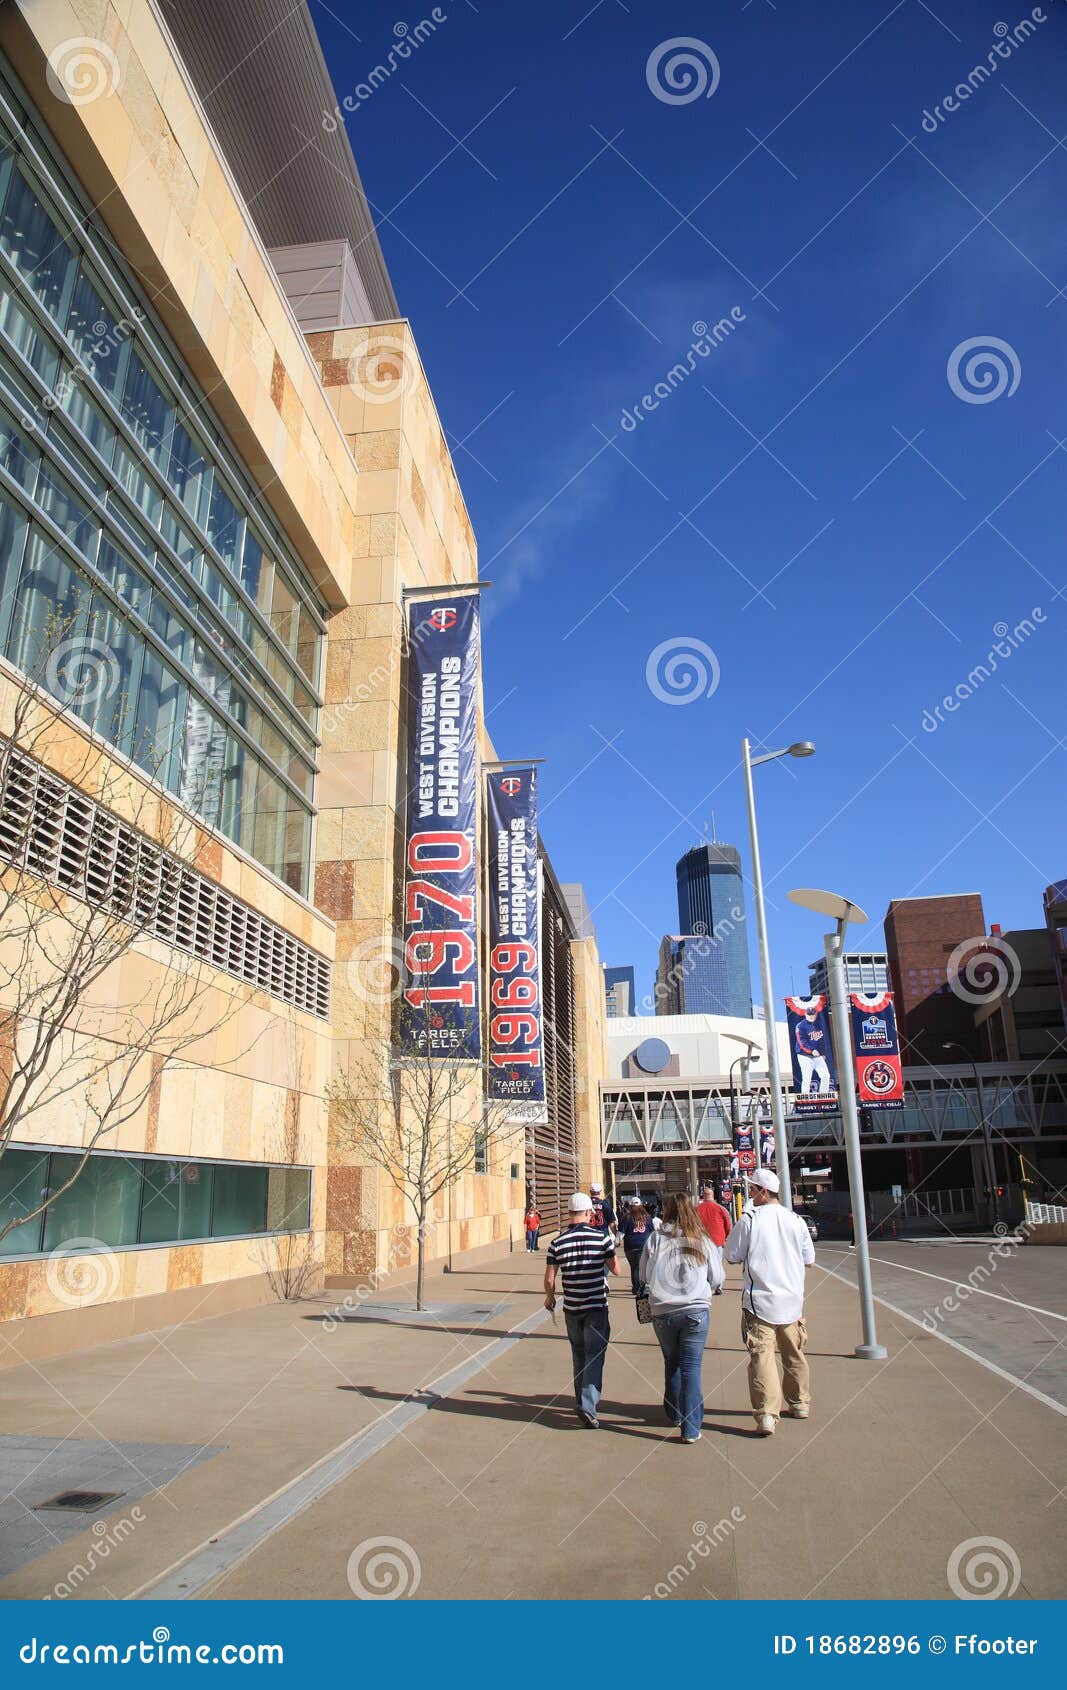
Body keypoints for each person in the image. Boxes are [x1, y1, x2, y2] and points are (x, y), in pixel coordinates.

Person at [725, 1168, 815, 1437]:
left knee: (761, 1356)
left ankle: (766, 1414)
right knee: (794, 1353)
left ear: (763, 1192)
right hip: (791, 1300)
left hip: (760, 1301)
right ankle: (799, 1403)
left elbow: (731, 1254)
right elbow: (809, 1258)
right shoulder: (795, 1220)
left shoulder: (750, 1219)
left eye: (752, 1189)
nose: (750, 1194)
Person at [639, 1193, 724, 1443]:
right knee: (692, 1368)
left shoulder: (656, 1238)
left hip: (663, 1309)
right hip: (695, 1308)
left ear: (666, 1211)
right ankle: (691, 1427)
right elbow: (717, 1277)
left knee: (672, 1361)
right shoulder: (702, 1239)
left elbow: (644, 1273)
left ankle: (674, 1412)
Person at [544, 1193, 621, 1428]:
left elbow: (549, 1279)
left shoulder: (557, 1243)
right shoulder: (601, 1239)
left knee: (578, 1355)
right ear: (590, 1213)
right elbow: (616, 1269)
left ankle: (581, 1402)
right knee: (595, 1355)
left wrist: (549, 1298)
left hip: (572, 1308)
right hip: (596, 1306)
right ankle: (588, 1406)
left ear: (569, 1213)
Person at [695, 1182, 731, 1295]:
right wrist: (727, 1237)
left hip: (701, 1241)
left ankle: (706, 1285)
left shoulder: (696, 1209)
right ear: (713, 1195)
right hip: (718, 1241)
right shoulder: (720, 1208)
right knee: (718, 1264)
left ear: (703, 1196)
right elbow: (728, 1224)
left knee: (704, 1264)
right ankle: (719, 1286)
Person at [621, 1202, 656, 1296]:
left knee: (634, 1268)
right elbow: (652, 1231)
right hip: (643, 1245)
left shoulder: (627, 1217)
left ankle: (636, 1288)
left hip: (630, 1245)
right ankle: (640, 1288)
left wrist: (616, 1241)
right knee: (642, 1268)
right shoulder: (647, 1217)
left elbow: (621, 1232)